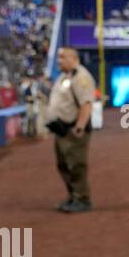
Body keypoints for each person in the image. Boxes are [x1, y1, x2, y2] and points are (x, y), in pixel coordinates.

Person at [49, 47, 96, 213]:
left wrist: (80, 126)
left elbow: (86, 103)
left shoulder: (81, 77)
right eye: (58, 57)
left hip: (73, 129)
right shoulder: (64, 77)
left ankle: (82, 199)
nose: (58, 61)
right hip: (61, 129)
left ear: (73, 58)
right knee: (63, 165)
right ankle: (73, 196)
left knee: (76, 165)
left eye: (62, 57)